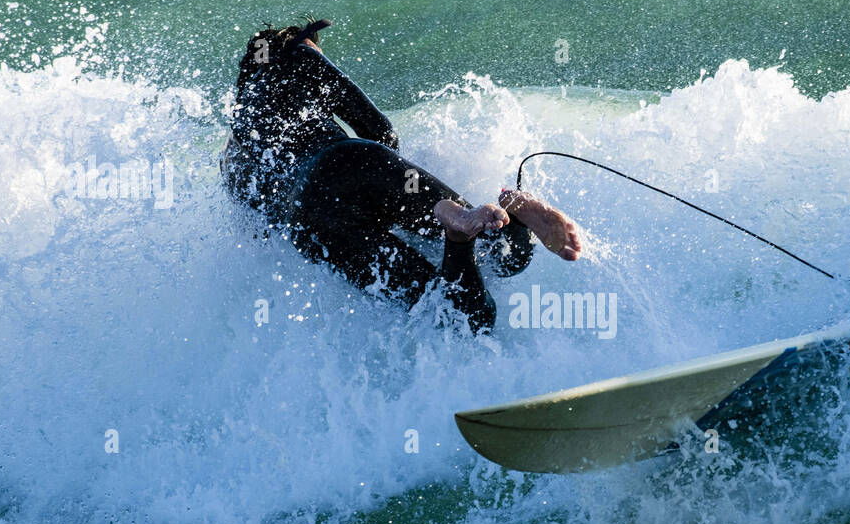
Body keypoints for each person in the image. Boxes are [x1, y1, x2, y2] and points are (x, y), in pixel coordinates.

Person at [222, 18, 581, 332]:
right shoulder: (297, 55)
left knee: (462, 319)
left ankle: (456, 235)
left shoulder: (233, 157)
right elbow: (382, 132)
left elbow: (261, 234)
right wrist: (394, 197)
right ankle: (506, 210)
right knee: (501, 255)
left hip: (310, 219)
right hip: (351, 161)